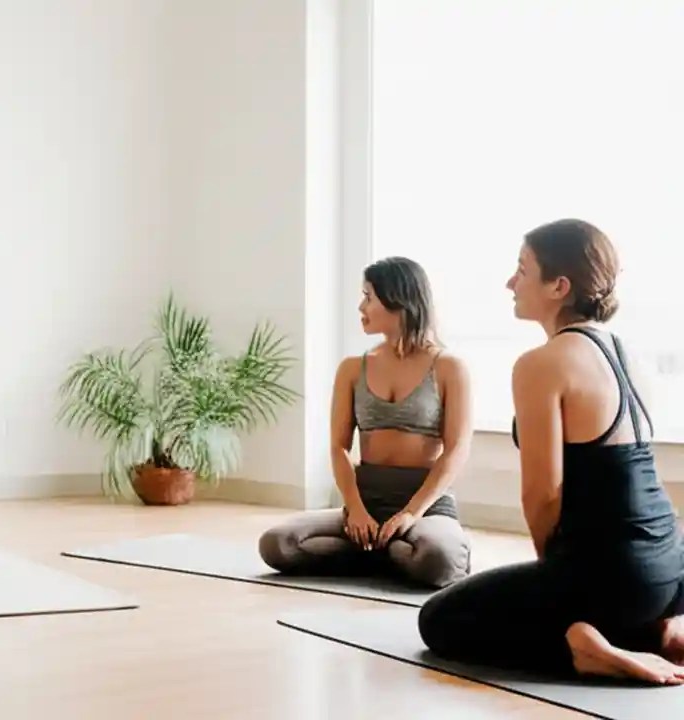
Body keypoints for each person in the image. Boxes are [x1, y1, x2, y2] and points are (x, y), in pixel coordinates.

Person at [418, 219, 684, 685]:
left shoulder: (542, 364)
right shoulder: (626, 353)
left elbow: (542, 495)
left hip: (614, 574)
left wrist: (553, 590)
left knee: (439, 620)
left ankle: (583, 647)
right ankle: (654, 629)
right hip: (671, 566)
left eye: (522, 270)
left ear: (559, 286)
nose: (510, 283)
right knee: (582, 592)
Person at [258, 256, 473, 588]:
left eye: (368, 297)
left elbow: (456, 450)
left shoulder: (449, 367)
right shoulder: (352, 368)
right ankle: (386, 549)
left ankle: (388, 549)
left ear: (397, 299)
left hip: (425, 507)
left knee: (437, 558)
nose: (361, 306)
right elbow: (339, 447)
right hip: (366, 501)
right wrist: (355, 509)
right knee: (277, 544)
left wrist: (411, 514)